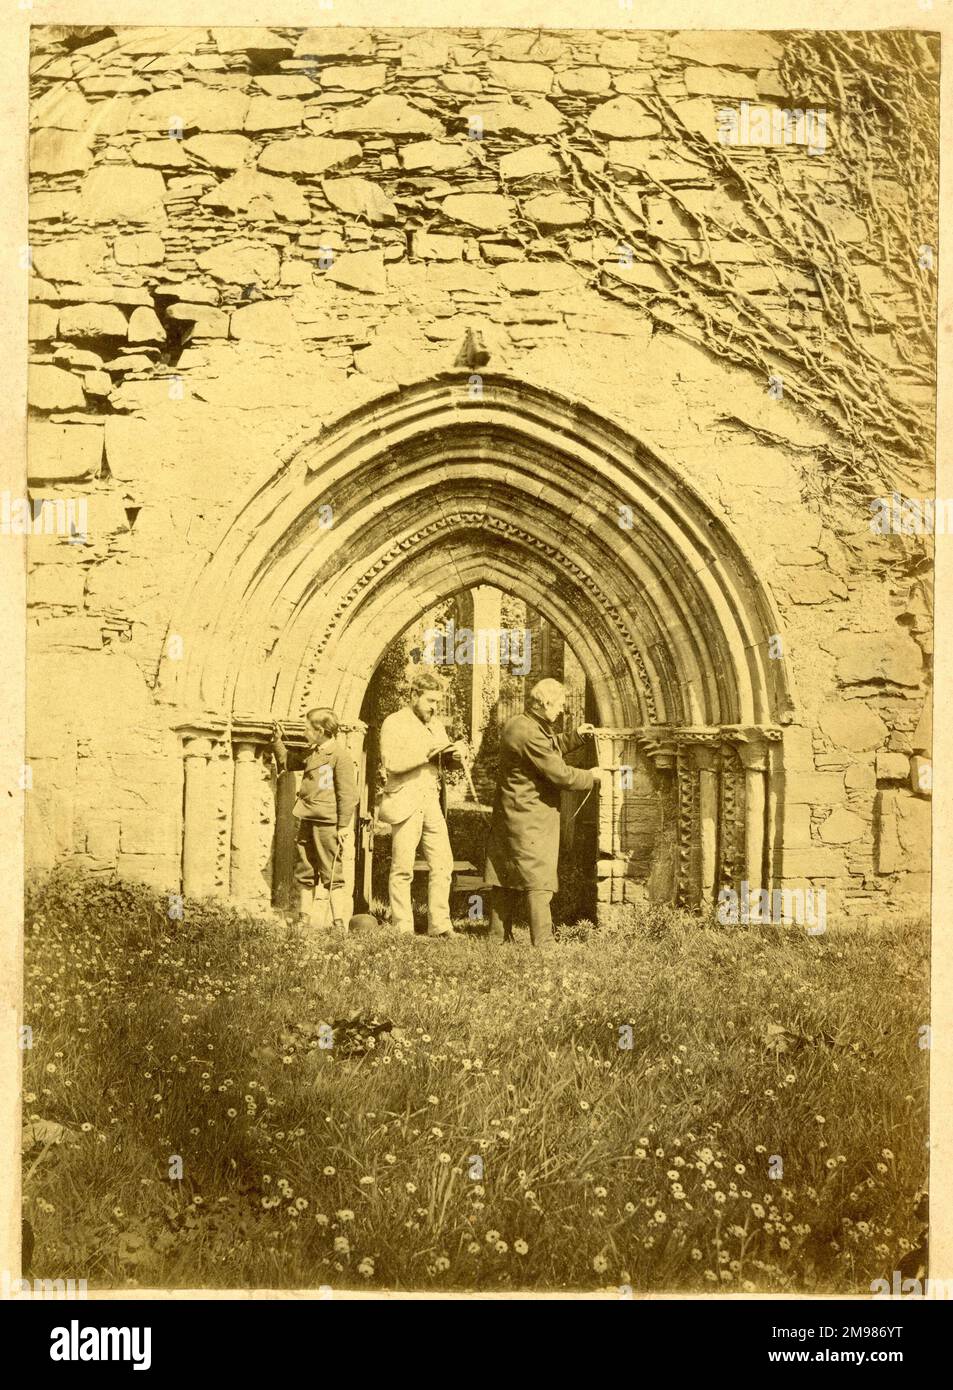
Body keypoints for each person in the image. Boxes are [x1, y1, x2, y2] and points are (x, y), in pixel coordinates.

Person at [483, 678, 595, 951]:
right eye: (559, 705)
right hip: (530, 817)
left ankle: (497, 937)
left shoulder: (521, 724)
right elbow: (559, 773)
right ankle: (543, 942)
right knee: (539, 878)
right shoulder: (531, 732)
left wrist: (576, 736)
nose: (561, 711)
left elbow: (547, 746)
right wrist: (592, 777)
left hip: (513, 813)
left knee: (505, 874)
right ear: (545, 703)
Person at [378, 670, 468, 938]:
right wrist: (425, 755)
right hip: (405, 799)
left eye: (437, 702)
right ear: (414, 695)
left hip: (431, 801)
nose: (434, 707)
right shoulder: (394, 722)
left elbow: (439, 762)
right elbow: (391, 762)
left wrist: (455, 756)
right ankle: (402, 927)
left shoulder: (436, 725)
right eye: (430, 701)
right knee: (402, 867)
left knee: (443, 864)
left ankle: (440, 925)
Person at [273, 707, 358, 930]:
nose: (304, 733)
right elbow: (289, 762)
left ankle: (339, 923)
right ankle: (304, 919)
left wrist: (343, 826)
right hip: (307, 819)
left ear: (320, 730)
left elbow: (348, 794)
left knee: (332, 873)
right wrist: (277, 740)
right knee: (305, 870)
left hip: (327, 824)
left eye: (307, 729)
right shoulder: (314, 752)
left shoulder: (340, 756)